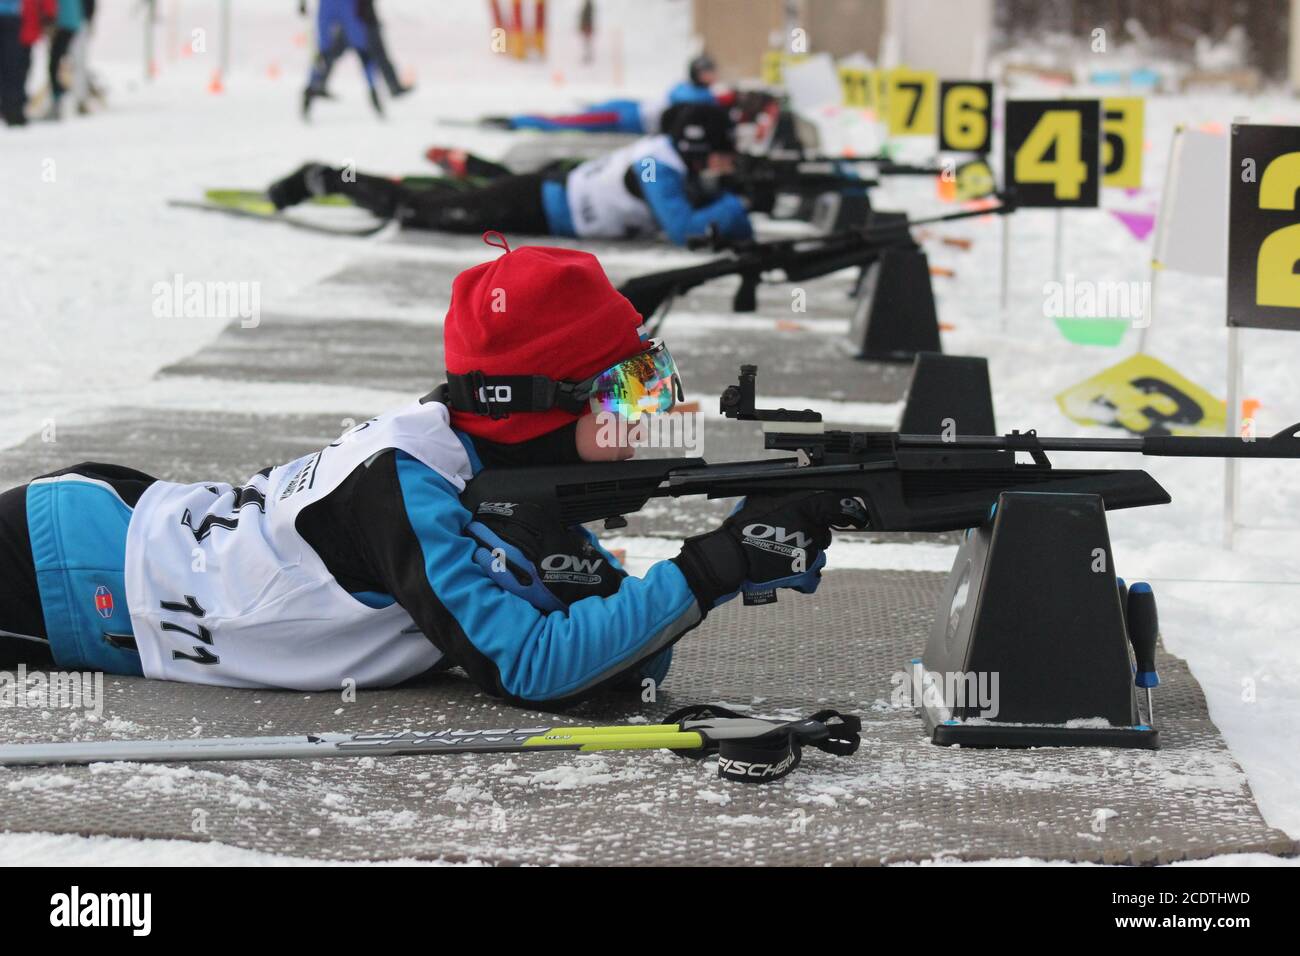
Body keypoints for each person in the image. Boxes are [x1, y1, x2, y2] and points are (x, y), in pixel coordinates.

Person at [0, 239, 862, 704]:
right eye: (631, 388)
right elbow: (531, 668)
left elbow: (624, 667)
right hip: (68, 572)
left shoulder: (500, 475)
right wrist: (714, 565)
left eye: (656, 378)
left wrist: (744, 543)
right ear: (540, 410)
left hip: (116, 541)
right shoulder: (409, 490)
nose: (658, 414)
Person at [269, 103, 755, 247]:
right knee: (417, 209)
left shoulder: (664, 153)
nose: (723, 163)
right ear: (696, 147)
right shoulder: (659, 169)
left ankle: (465, 168)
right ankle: (326, 177)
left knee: (462, 193)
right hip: (538, 203)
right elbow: (682, 229)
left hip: (549, 193)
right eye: (718, 155)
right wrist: (735, 208)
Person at [493, 53, 725, 135]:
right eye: (707, 72)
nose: (712, 76)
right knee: (570, 121)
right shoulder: (693, 94)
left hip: (631, 114)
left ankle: (519, 120)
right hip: (627, 113)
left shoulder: (695, 93)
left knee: (573, 121)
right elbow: (694, 102)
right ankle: (517, 121)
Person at [302, 0, 381, 119]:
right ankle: (309, 95)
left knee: (362, 50)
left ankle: (375, 97)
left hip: (347, 8)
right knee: (324, 53)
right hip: (334, 8)